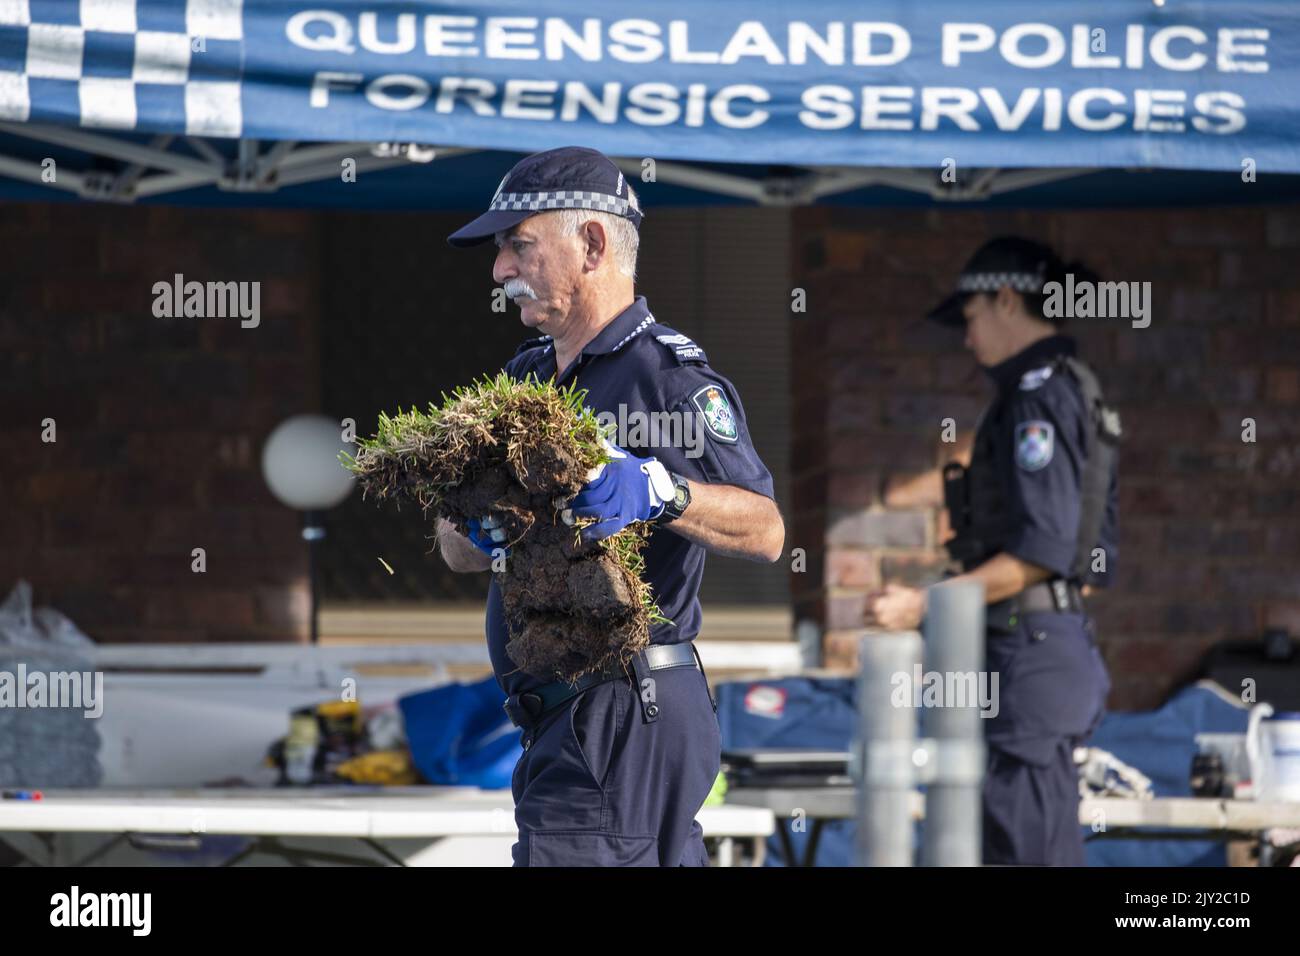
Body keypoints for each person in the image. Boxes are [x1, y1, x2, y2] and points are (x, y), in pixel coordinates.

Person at [438, 146, 784, 866]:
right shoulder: (525, 379)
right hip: (570, 716)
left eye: (518, 245)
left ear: (592, 244)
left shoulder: (665, 375)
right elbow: (454, 546)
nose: (499, 270)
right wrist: (481, 527)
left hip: (621, 706)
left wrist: (661, 490)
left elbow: (766, 528)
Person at [865, 236, 1119, 866]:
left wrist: (923, 605)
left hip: (1029, 666)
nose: (966, 337)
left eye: (972, 316)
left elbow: (1042, 552)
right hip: (1029, 657)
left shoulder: (1040, 396)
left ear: (1007, 300)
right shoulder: (1045, 393)